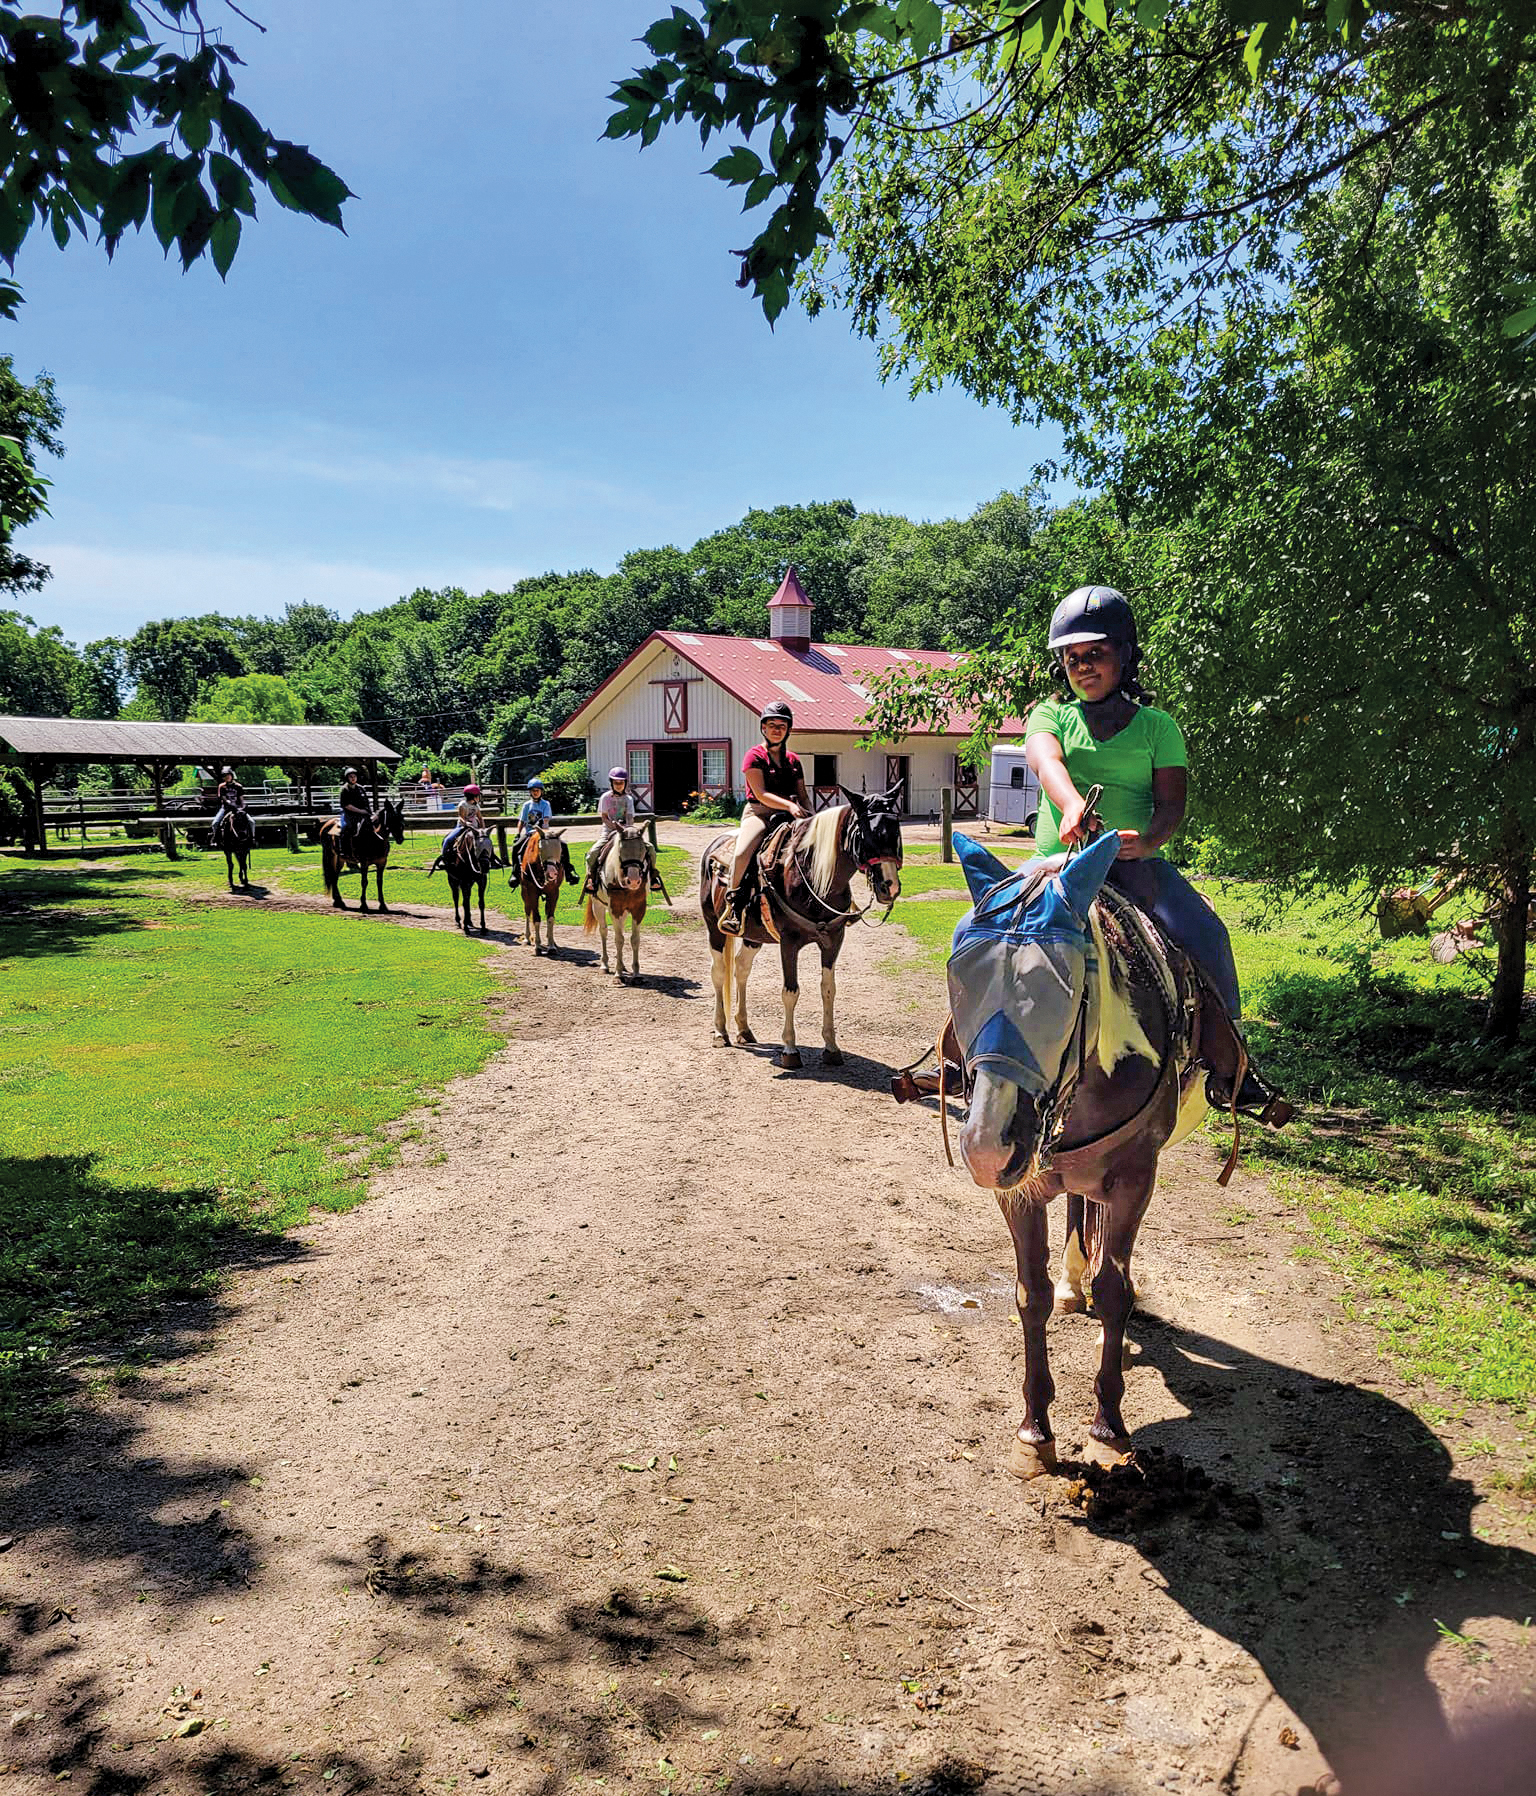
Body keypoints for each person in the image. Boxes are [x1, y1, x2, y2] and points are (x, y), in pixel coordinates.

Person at [1023, 584, 1287, 1122]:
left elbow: (1170, 805)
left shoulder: (1158, 728)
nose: (1082, 666)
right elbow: (1045, 760)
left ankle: (1232, 1070)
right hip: (1058, 869)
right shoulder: (1049, 716)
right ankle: (959, 1058)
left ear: (1125, 655)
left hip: (1132, 867)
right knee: (985, 933)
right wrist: (1071, 806)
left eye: (1094, 653)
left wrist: (1146, 841)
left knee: (1208, 933)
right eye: (1071, 658)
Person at [717, 700, 811, 935]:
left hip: (792, 815)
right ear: (763, 728)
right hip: (760, 813)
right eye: (771, 725)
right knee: (742, 852)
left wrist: (813, 818)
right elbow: (762, 794)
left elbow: (803, 795)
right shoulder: (753, 756)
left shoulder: (793, 760)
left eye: (782, 725)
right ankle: (734, 905)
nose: (776, 729)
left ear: (788, 729)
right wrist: (790, 806)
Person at [514, 777, 572, 882]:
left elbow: (545, 820)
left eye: (537, 790)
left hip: (543, 833)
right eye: (533, 791)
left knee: (563, 845)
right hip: (529, 833)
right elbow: (522, 821)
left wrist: (542, 830)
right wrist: (518, 834)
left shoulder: (546, 804)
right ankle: (515, 873)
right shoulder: (527, 805)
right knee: (516, 847)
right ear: (530, 792)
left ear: (541, 792)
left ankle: (568, 872)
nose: (535, 793)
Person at [428, 782, 486, 875]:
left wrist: (483, 829)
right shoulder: (463, 804)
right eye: (478, 796)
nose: (479, 798)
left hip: (475, 828)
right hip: (462, 827)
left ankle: (492, 859)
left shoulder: (476, 806)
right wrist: (466, 823)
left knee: (486, 841)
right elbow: (461, 817)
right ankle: (444, 858)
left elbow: (480, 818)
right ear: (473, 796)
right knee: (448, 839)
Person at [336, 767, 371, 859]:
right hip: (348, 813)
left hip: (362, 813)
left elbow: (366, 802)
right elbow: (346, 805)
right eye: (351, 776)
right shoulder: (345, 789)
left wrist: (368, 811)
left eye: (354, 776)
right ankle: (343, 850)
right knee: (345, 827)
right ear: (347, 778)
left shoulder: (361, 789)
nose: (353, 778)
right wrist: (361, 811)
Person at [208, 766, 245, 839]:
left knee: (251, 821)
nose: (227, 777)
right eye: (225, 776)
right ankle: (215, 838)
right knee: (215, 823)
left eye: (228, 775)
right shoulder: (222, 786)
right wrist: (229, 803)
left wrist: (243, 806)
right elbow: (223, 798)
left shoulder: (238, 786)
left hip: (237, 809)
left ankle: (252, 838)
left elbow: (241, 798)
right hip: (226, 808)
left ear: (232, 776)